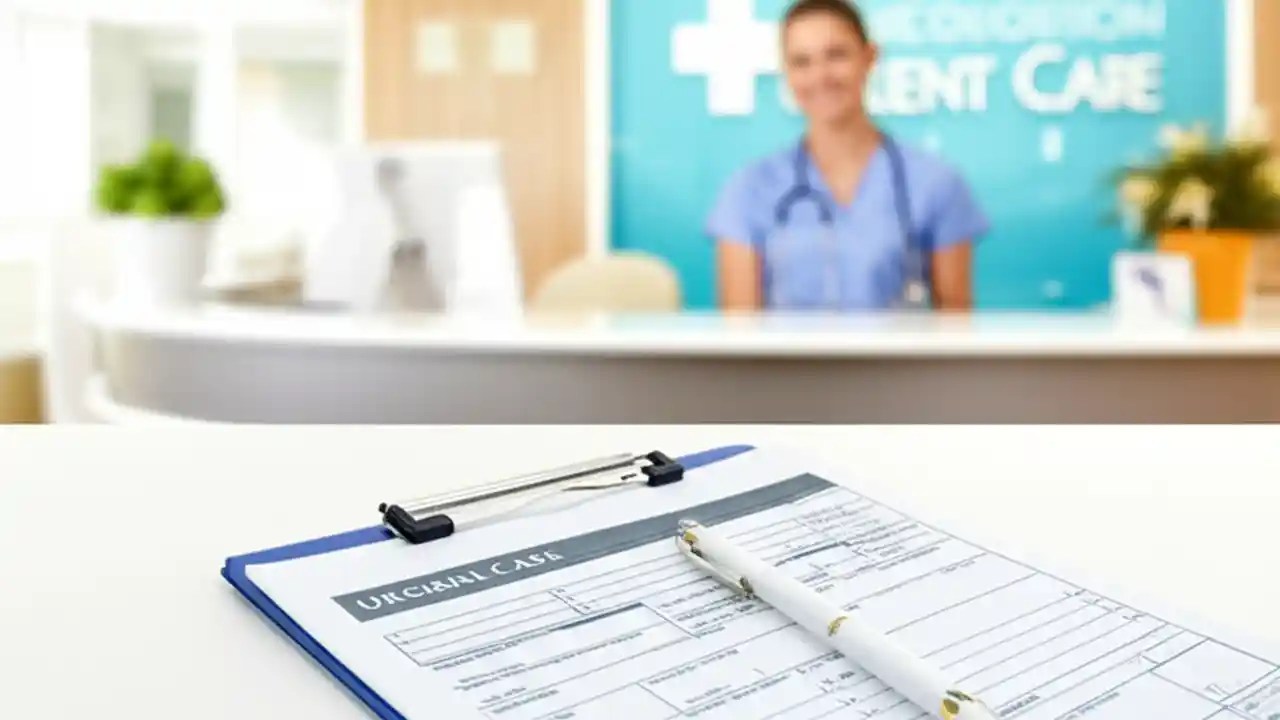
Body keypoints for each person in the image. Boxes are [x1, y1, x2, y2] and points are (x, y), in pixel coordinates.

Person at [707, 0, 990, 312]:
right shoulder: (750, 189)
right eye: (802, 62)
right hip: (787, 364)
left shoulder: (935, 183)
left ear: (870, 57)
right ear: (786, 73)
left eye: (836, 55)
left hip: (899, 362)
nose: (821, 75)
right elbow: (738, 338)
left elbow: (956, 332)